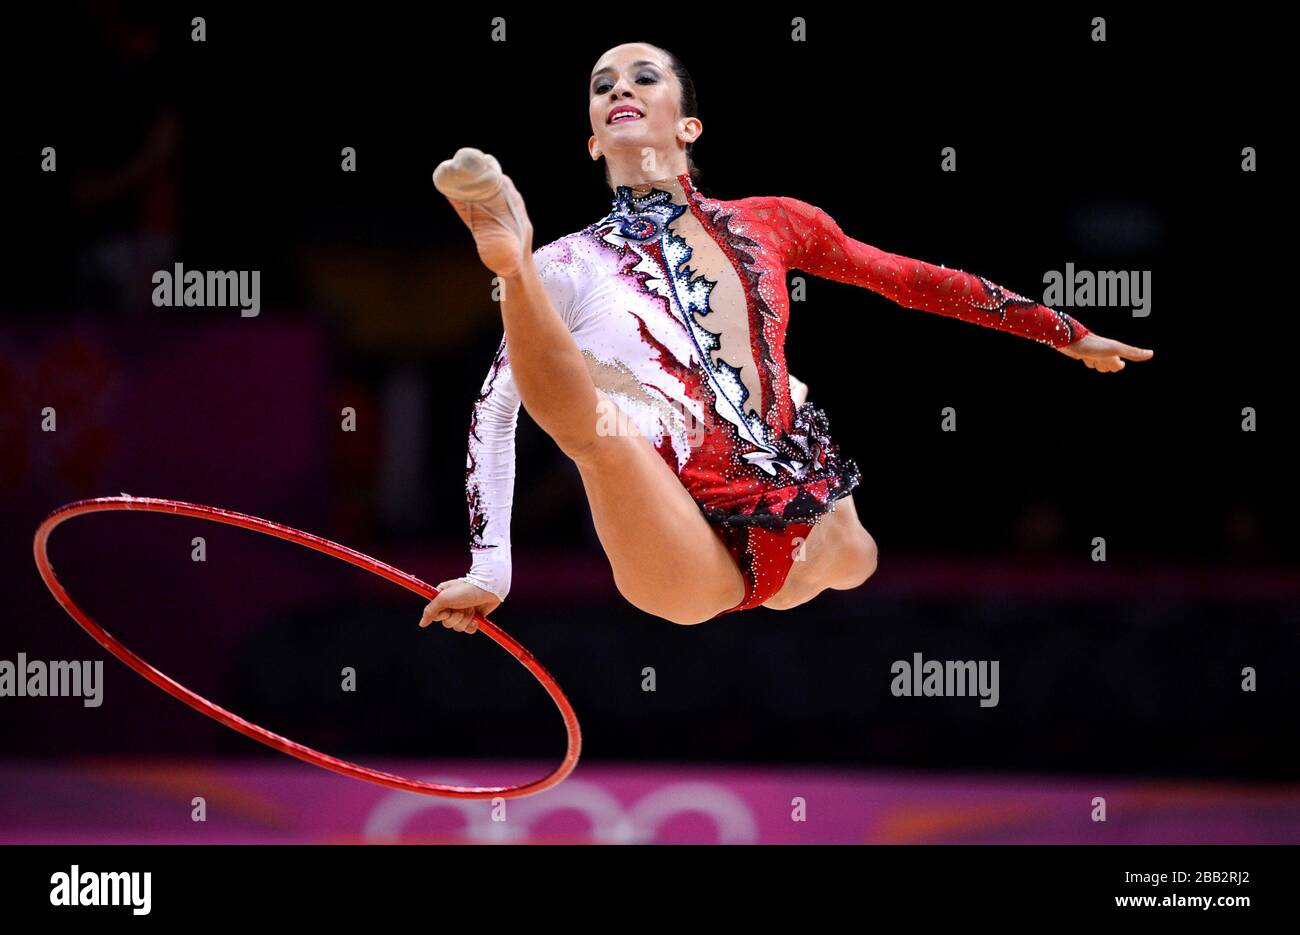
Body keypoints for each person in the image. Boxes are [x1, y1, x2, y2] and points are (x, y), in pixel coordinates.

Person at [420, 42, 1154, 635]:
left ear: (688, 127)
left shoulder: (772, 221)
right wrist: (491, 570)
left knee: (854, 555)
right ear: (591, 141)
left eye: (642, 77)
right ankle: (507, 256)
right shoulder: (570, 264)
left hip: (796, 511)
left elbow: (908, 279)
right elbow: (495, 405)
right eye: (601, 83)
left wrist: (1062, 328)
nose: (619, 88)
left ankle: (798, 441)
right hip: (680, 544)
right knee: (598, 431)